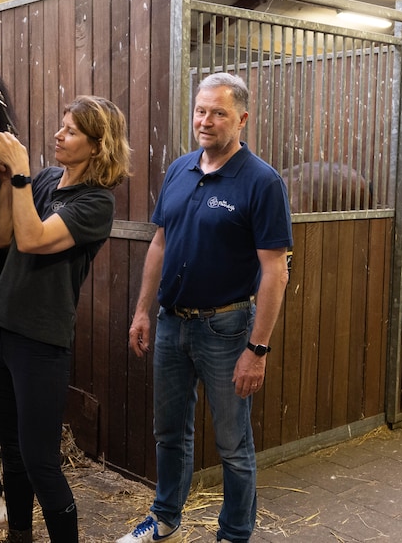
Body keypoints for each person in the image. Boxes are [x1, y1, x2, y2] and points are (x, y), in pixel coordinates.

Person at [120, 72, 292, 543]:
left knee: (233, 445)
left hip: (226, 328)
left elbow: (275, 270)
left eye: (219, 112)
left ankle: (234, 534)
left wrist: (257, 348)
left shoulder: (261, 182)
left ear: (242, 118)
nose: (206, 120)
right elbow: (160, 243)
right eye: (201, 110)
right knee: (168, 433)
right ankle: (165, 518)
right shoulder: (180, 169)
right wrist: (141, 310)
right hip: (172, 323)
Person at [0, 95, 132, 543]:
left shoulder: (96, 204)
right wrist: (11, 183)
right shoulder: (45, 180)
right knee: (11, 452)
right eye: (60, 125)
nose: (58, 135)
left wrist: (22, 174)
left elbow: (31, 240)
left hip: (40, 343)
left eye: (70, 131)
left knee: (41, 461)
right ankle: (20, 537)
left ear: (97, 145)